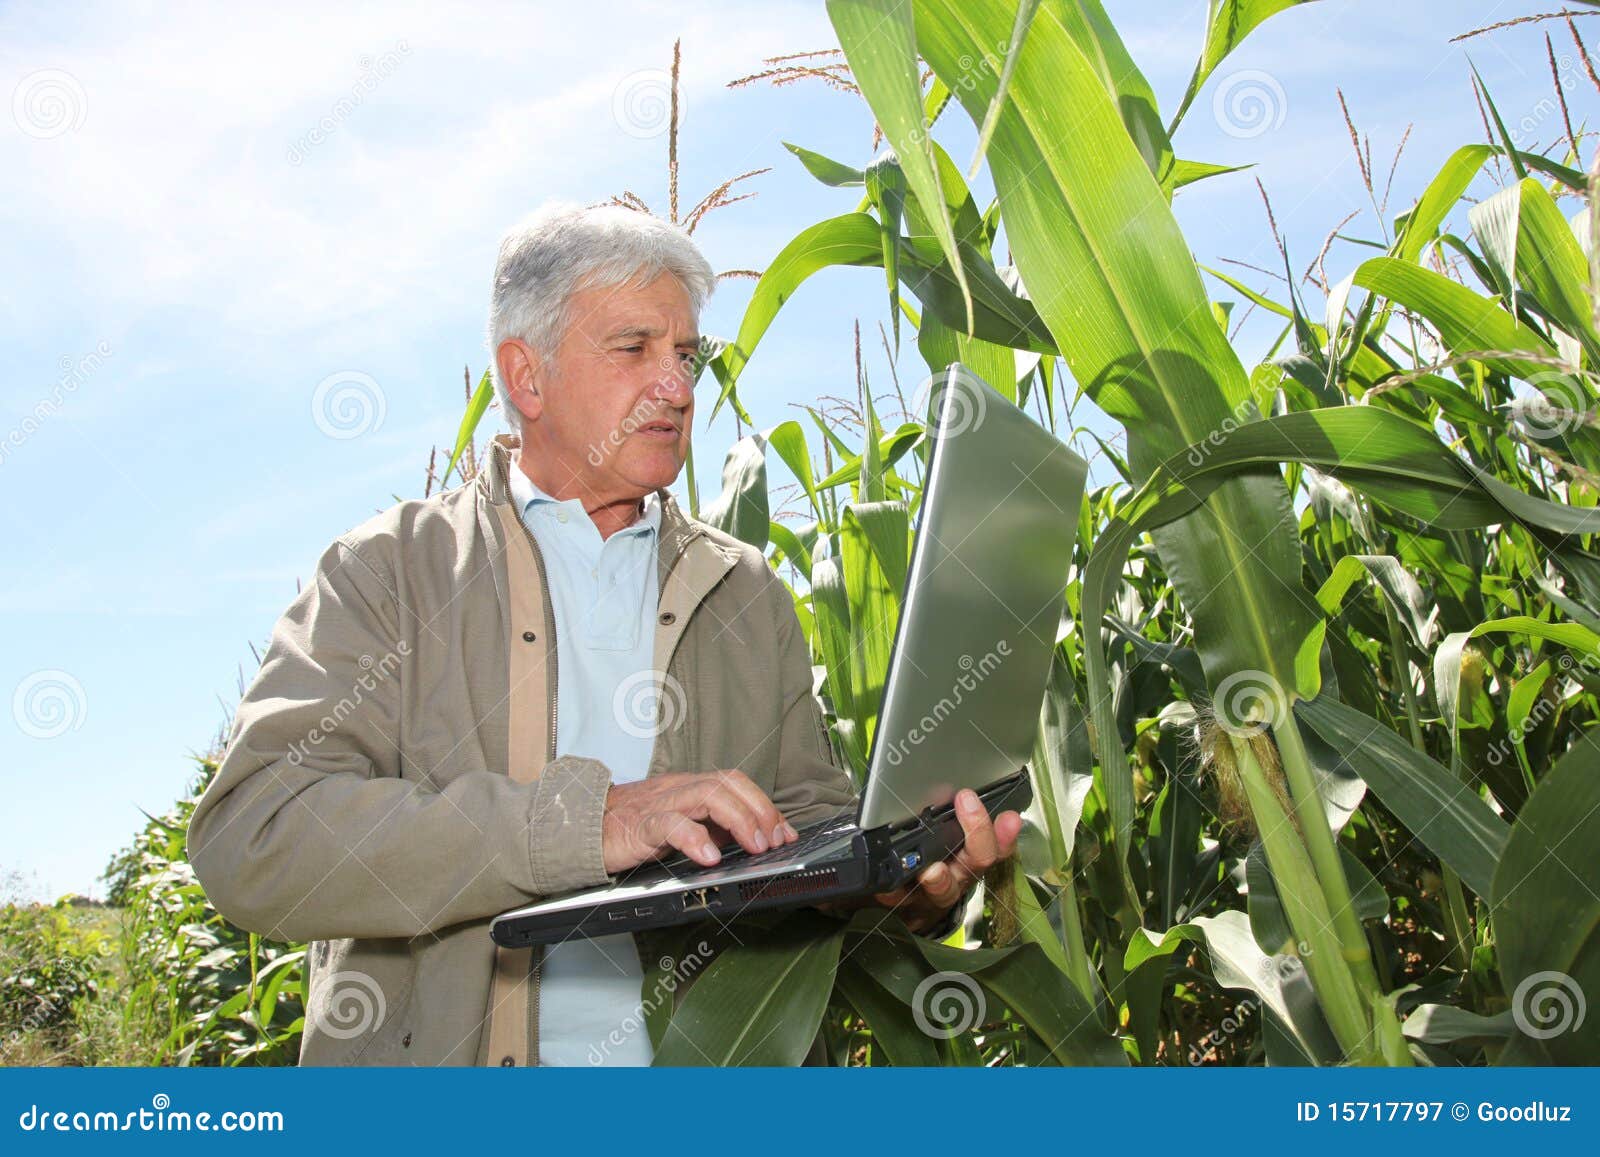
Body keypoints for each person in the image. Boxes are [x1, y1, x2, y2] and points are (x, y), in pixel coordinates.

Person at [187, 201, 1022, 1067]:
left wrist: (895, 885)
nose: (679, 386)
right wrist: (589, 821)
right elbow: (254, 836)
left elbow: (805, 842)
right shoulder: (389, 572)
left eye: (686, 354)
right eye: (634, 349)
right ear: (527, 376)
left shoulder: (747, 592)